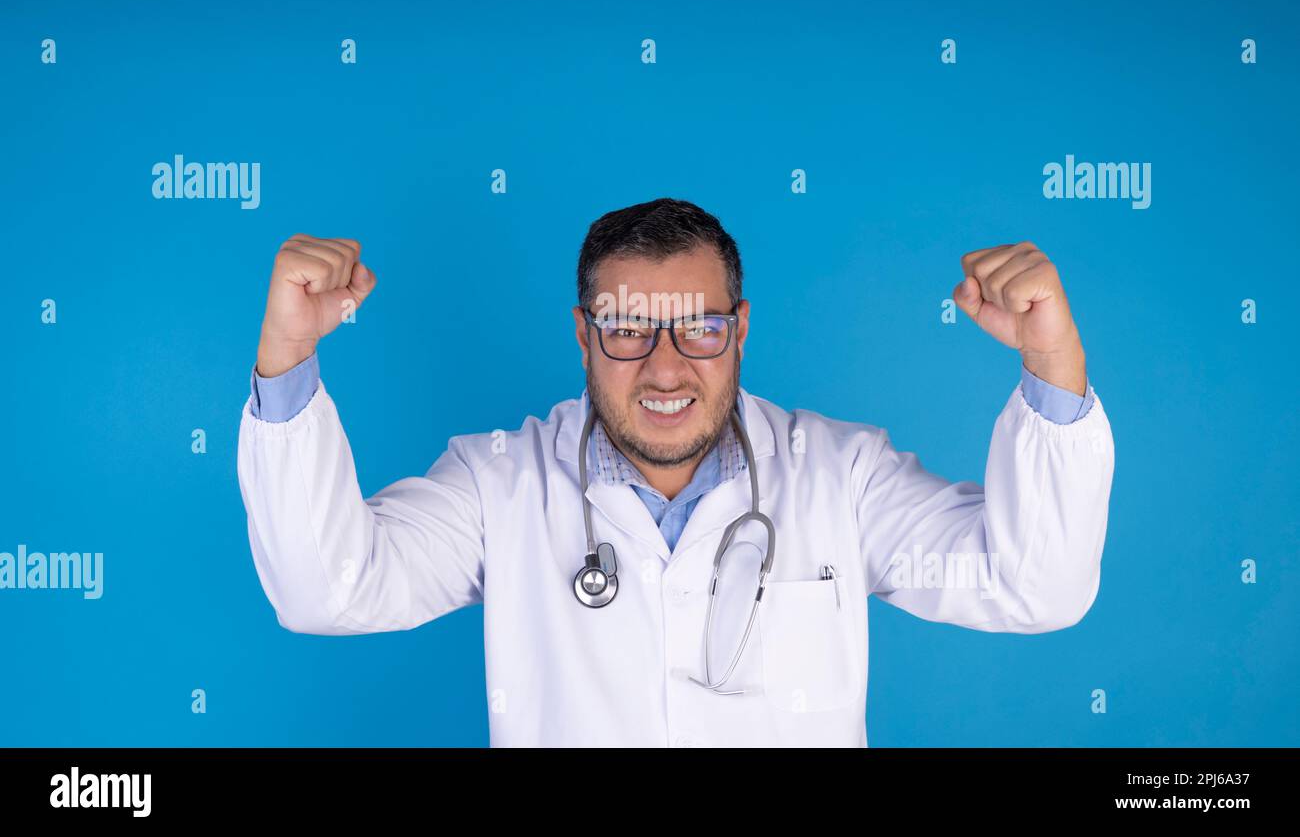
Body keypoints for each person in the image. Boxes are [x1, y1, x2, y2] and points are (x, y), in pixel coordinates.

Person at [236, 197, 1113, 747]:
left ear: (739, 330)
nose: (664, 368)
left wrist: (1052, 360)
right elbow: (327, 592)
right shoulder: (498, 483)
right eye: (627, 329)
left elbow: (1036, 588)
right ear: (584, 335)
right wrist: (288, 355)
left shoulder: (843, 477)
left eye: (697, 328)